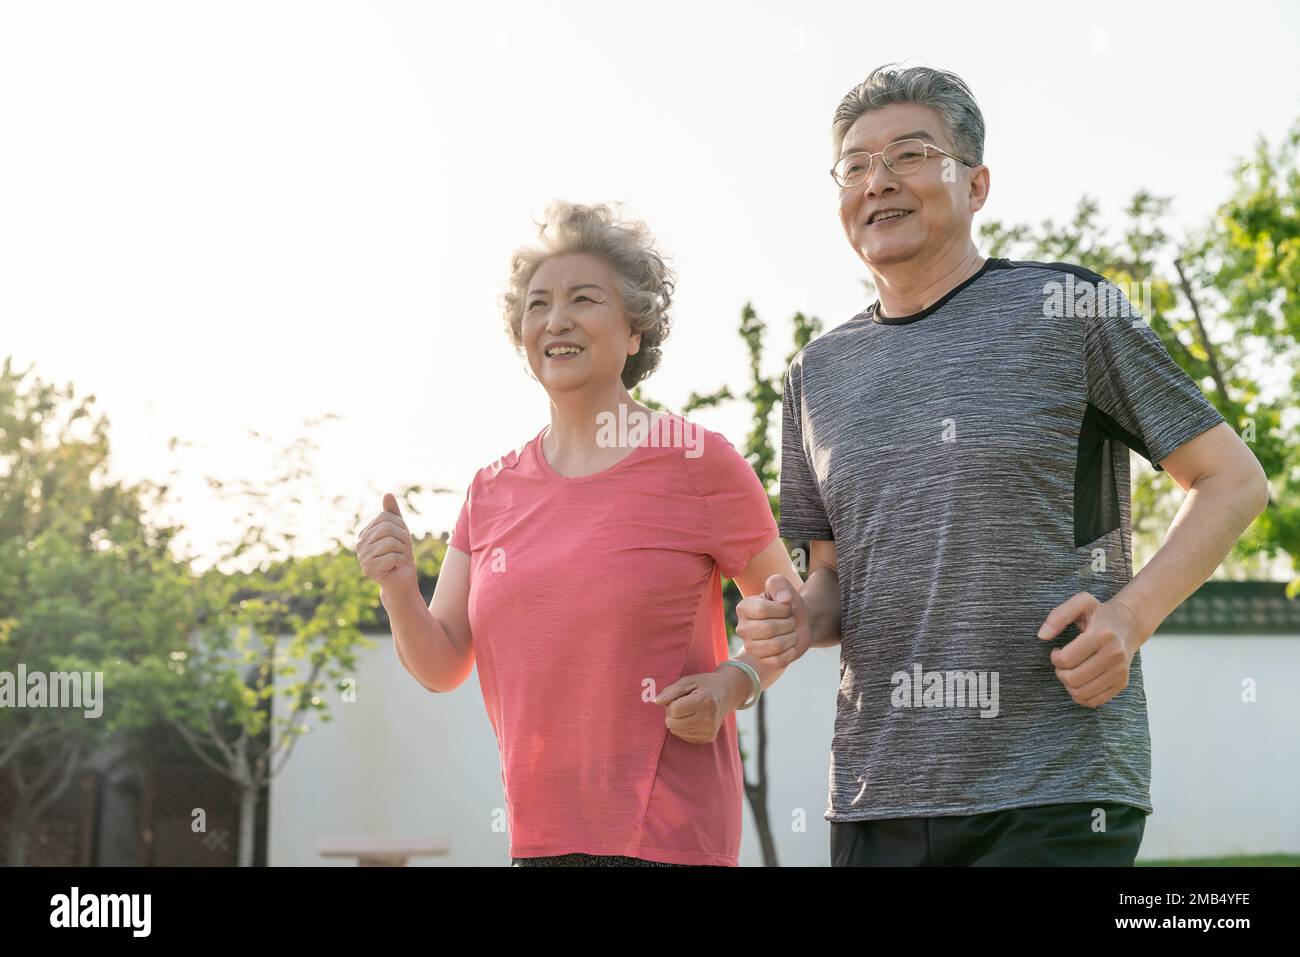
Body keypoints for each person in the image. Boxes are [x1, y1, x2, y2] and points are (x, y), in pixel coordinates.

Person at [736, 64, 1270, 866]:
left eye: (911, 154)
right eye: (855, 164)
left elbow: (1234, 480)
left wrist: (1131, 615)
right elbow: (834, 590)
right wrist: (791, 621)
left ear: (976, 183)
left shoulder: (1069, 311)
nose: (877, 181)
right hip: (877, 789)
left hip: (1055, 782)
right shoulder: (816, 373)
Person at [355, 200, 806, 866]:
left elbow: (788, 612)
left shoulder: (698, 461)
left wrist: (732, 682)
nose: (556, 319)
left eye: (583, 298)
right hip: (538, 841)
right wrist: (397, 590)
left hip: (670, 841)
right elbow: (444, 662)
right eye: (537, 305)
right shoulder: (490, 491)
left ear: (634, 331)